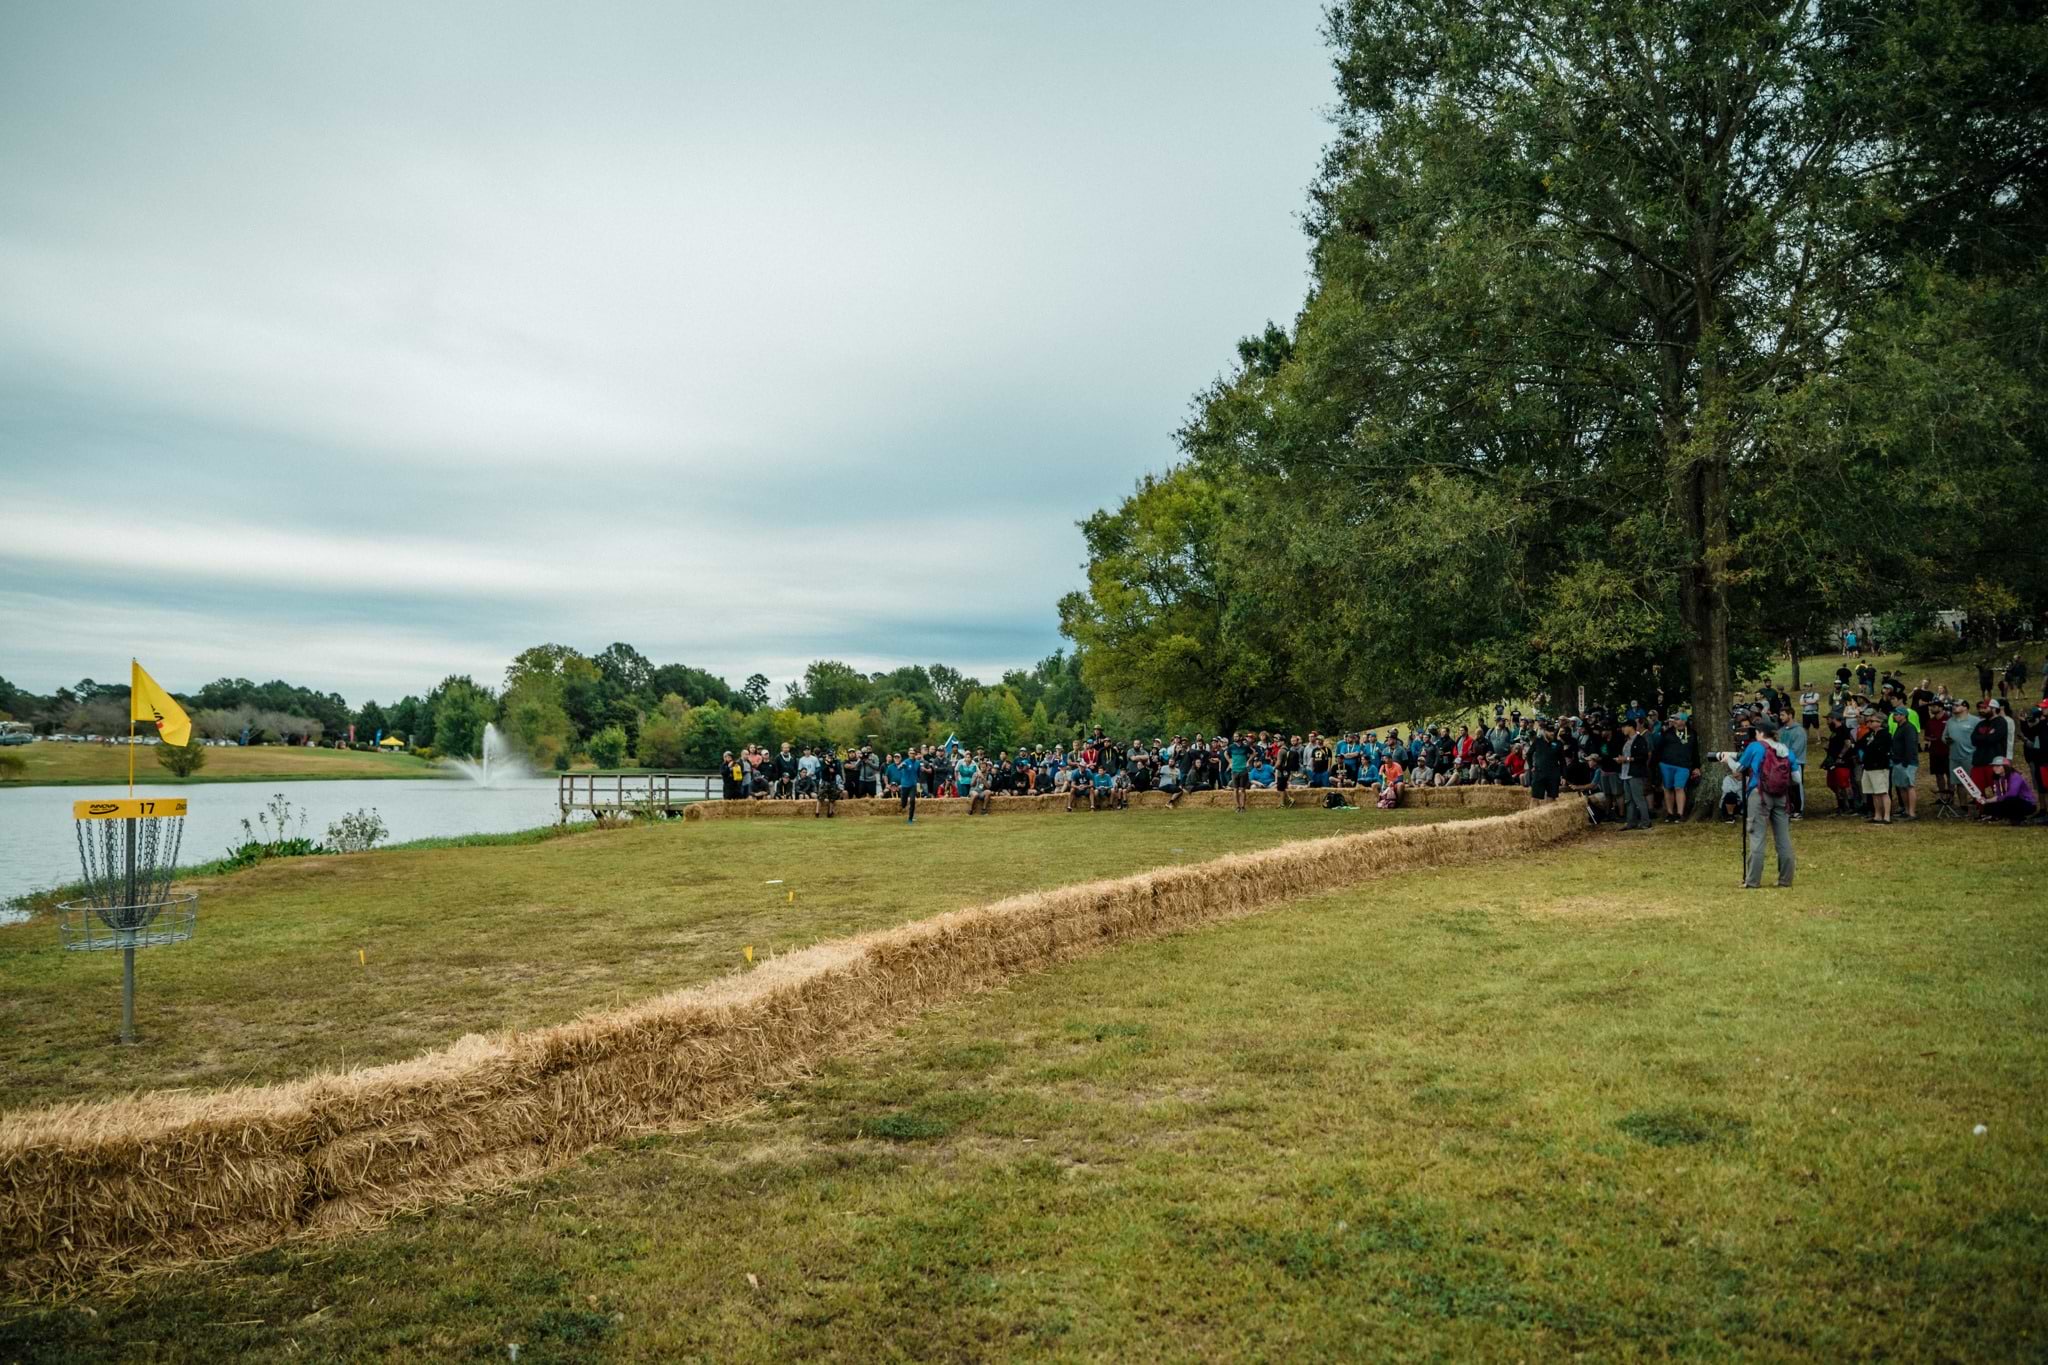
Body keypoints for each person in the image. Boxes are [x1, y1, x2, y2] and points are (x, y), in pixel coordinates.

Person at [1732, 718, 1796, 888]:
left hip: (1759, 794)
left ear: (1760, 733)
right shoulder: (1785, 750)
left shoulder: (1755, 747)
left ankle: (1752, 881)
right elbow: (1796, 778)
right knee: (1783, 838)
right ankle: (1786, 879)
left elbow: (1738, 769)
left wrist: (1726, 759)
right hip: (1781, 795)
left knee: (1757, 836)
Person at [1654, 714, 1697, 822]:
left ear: (1684, 721)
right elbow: (1659, 748)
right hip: (1666, 764)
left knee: (1679, 787)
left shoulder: (1692, 733)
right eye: (1675, 720)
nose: (1677, 722)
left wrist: (1697, 766)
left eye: (1679, 720)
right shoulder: (1667, 733)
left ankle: (1679, 813)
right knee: (1668, 788)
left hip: (1683, 765)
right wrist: (1657, 763)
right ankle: (1669, 813)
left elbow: (1695, 751)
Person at [1854, 713, 1892, 824]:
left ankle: (1887, 816)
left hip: (1879, 767)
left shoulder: (1885, 735)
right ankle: (1877, 815)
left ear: (1880, 723)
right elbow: (1859, 744)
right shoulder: (1870, 734)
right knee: (1874, 792)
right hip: (1868, 766)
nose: (1869, 723)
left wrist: (1867, 749)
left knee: (1883, 792)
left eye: (1872, 721)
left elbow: (1875, 748)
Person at [1886, 701, 1921, 820]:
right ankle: (1906, 810)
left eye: (1896, 714)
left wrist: (1906, 761)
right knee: (1901, 786)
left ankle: (1912, 812)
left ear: (1903, 715)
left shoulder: (1909, 728)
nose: (1894, 716)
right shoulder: (1899, 727)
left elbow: (1911, 746)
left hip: (1907, 762)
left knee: (1909, 786)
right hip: (1898, 760)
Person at [1979, 756, 2038, 825]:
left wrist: (1999, 799)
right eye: (1994, 766)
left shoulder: (2015, 776)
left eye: (1998, 766)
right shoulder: (1998, 778)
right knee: (1988, 808)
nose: (1995, 768)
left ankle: (2018, 819)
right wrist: (1986, 801)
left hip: (2026, 803)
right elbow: (1999, 795)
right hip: (2009, 801)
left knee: (2010, 800)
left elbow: (2012, 794)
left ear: (2005, 766)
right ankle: (2012, 818)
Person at [1616, 717, 1651, 830]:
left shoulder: (1640, 740)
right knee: (1629, 799)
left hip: (1635, 773)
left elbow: (1643, 756)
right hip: (1625, 773)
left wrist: (1627, 759)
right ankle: (1631, 821)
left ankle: (1646, 821)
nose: (1622, 729)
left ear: (1631, 727)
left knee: (1638, 798)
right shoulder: (1626, 741)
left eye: (1624, 727)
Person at [1228, 731, 1251, 812]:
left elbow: (1253, 753)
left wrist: (1248, 761)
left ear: (1241, 737)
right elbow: (1225, 754)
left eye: (1237, 736)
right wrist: (1230, 762)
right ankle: (1237, 806)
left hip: (1243, 770)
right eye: (1234, 736)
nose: (1235, 738)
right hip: (1234, 770)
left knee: (1243, 789)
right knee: (1235, 789)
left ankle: (1243, 807)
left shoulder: (1245, 747)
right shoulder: (1231, 747)